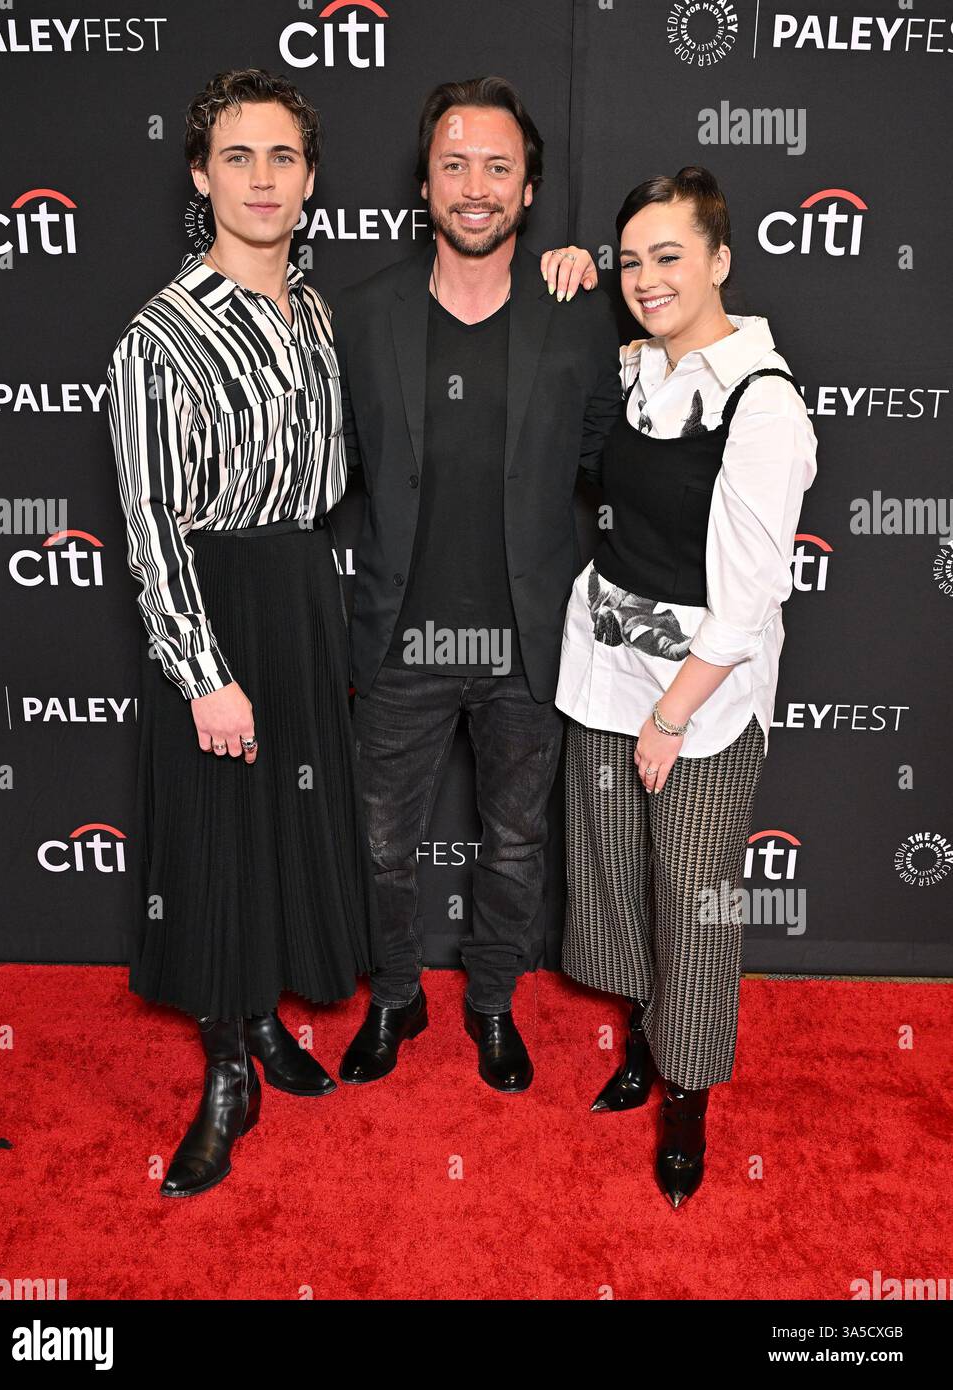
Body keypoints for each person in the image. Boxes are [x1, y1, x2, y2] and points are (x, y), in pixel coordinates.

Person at [105, 68, 380, 1197]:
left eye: (281, 159)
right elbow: (151, 523)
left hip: (303, 585)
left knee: (289, 821)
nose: (260, 179)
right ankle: (226, 1071)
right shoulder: (157, 339)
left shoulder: (315, 309)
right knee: (219, 835)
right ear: (200, 174)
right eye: (237, 157)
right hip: (215, 602)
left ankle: (265, 1021)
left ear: (310, 180)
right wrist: (202, 673)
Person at [332, 76, 621, 1092]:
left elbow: (598, 450)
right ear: (424, 184)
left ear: (528, 189)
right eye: (454, 164)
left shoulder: (576, 313)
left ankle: (492, 1003)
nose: (474, 186)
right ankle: (397, 995)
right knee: (379, 844)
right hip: (401, 641)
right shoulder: (361, 314)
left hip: (527, 642)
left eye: (498, 167)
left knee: (514, 844)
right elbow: (340, 461)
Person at [555, 166, 818, 1206]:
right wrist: (566, 282)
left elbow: (749, 600)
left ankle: (686, 1098)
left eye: (669, 256)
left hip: (698, 702)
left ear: (718, 259)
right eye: (630, 260)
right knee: (617, 876)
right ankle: (639, 1041)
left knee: (695, 900)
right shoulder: (636, 372)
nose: (646, 277)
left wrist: (672, 716)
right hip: (605, 667)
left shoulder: (764, 404)